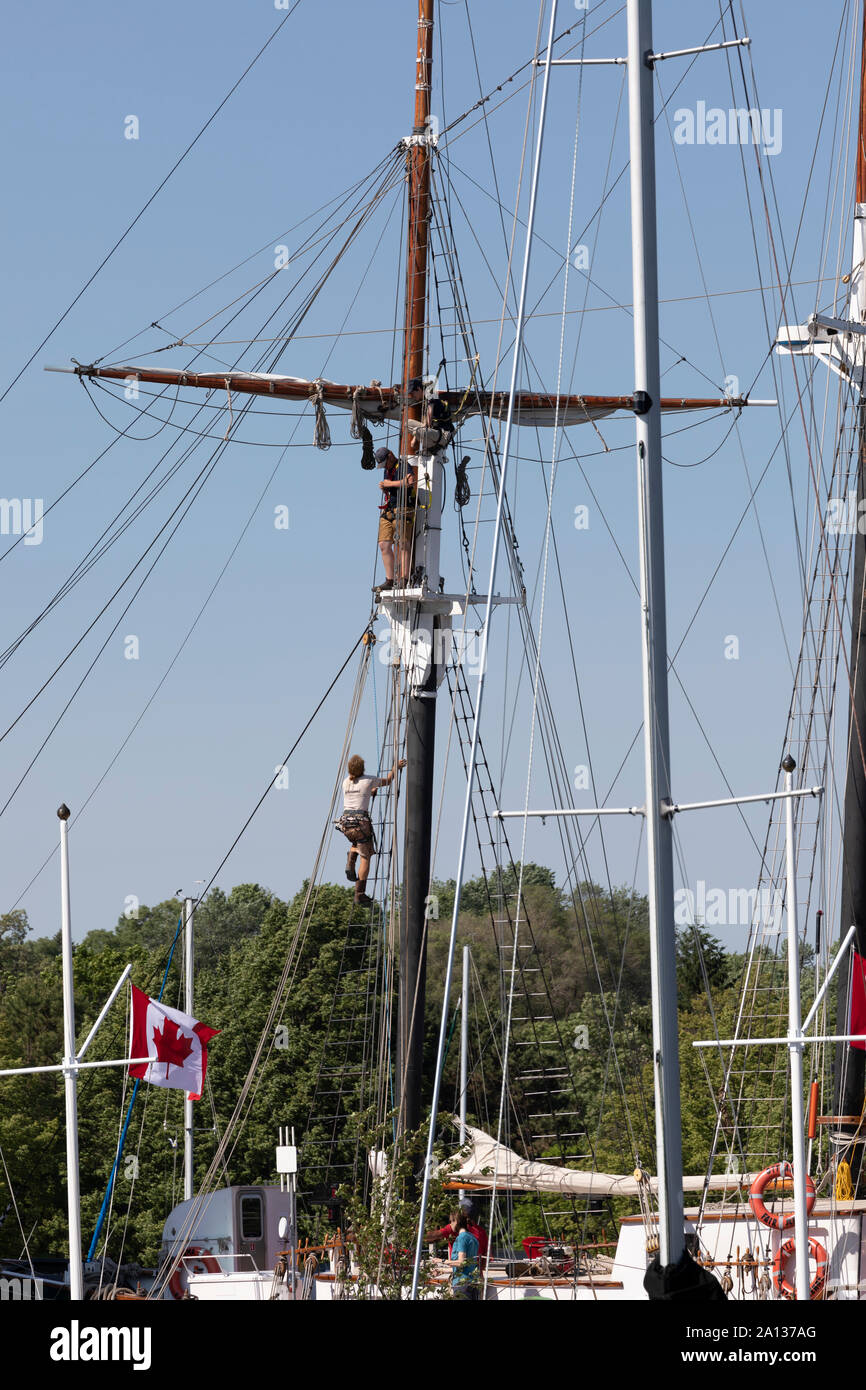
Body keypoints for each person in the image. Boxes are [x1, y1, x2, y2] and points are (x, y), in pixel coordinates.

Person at [338, 753, 405, 905]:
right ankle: (359, 893)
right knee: (366, 857)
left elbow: (357, 795)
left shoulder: (345, 783)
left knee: (357, 841)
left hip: (346, 824)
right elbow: (388, 781)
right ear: (362, 768)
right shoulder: (368, 780)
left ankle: (351, 857)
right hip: (361, 822)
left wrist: (369, 791)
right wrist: (396, 767)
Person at [374, 445, 417, 593]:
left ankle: (404, 579)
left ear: (390, 456)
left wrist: (390, 484)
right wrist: (385, 488)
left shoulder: (404, 466)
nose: (384, 467)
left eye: (385, 463)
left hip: (403, 509)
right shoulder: (388, 469)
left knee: (402, 543)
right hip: (389, 509)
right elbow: (395, 485)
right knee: (383, 545)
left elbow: (410, 482)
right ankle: (390, 580)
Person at [405, 376, 453, 454]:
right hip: (434, 433)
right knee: (407, 423)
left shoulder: (431, 396)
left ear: (419, 389)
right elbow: (425, 421)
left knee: (417, 430)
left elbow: (428, 419)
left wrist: (417, 433)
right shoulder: (425, 401)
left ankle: (432, 448)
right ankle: (429, 446)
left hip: (443, 435)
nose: (412, 395)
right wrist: (414, 439)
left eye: (412, 392)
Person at [448, 1208, 480, 1300]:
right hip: (473, 1282)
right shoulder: (473, 1238)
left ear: (456, 1221)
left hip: (462, 1284)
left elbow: (461, 1262)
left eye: (451, 1221)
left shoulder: (462, 1238)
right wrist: (442, 1270)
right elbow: (467, 1265)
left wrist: (442, 1261)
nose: (450, 1224)